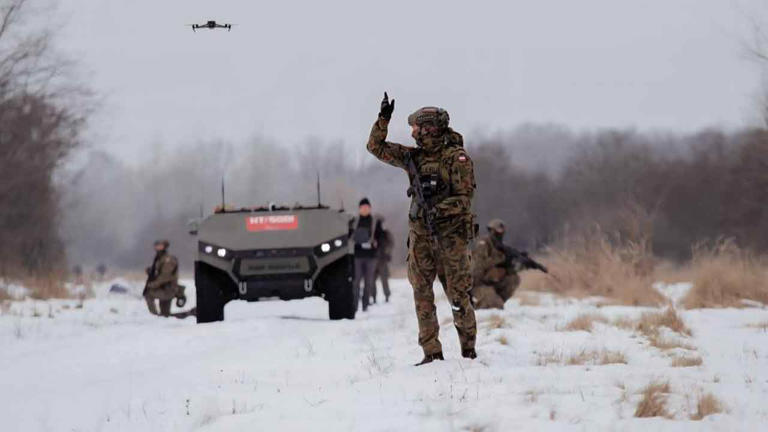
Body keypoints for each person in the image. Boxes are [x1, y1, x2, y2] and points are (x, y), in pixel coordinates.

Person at [366, 92, 478, 365]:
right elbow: (375, 147)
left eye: (416, 126)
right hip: (421, 239)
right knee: (421, 293)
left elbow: (464, 200)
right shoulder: (413, 159)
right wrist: (383, 119)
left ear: (429, 128)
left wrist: (437, 210)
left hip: (451, 239)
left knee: (458, 295)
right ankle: (432, 353)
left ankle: (468, 352)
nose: (413, 132)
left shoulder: (457, 158)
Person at [471, 219, 521, 309]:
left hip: (493, 283)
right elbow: (479, 264)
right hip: (478, 284)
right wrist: (501, 258)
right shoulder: (483, 244)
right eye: (497, 232)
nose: (499, 235)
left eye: (502, 233)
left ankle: (494, 300)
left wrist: (511, 264)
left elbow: (509, 271)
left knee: (514, 279)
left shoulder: (501, 246)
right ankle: (481, 305)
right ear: (491, 231)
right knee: (496, 305)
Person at [350, 198, 383, 312]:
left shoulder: (375, 222)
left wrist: (376, 244)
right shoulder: (354, 222)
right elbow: (349, 236)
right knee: (356, 282)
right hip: (357, 255)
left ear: (370, 208)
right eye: (362, 207)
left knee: (369, 282)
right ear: (359, 209)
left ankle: (365, 305)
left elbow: (381, 237)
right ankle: (354, 305)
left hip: (371, 256)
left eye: (366, 207)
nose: (364, 209)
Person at [144, 239, 179, 317]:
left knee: (148, 294)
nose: (157, 248)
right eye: (156, 246)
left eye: (160, 246)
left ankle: (154, 316)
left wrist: (153, 284)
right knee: (165, 313)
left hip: (168, 288)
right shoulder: (160, 258)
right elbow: (160, 272)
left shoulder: (168, 259)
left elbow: (166, 276)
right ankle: (161, 318)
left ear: (165, 247)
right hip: (163, 287)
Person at [373, 217, 394, 303]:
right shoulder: (373, 234)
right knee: (372, 281)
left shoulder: (385, 233)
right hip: (374, 260)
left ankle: (386, 296)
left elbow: (390, 244)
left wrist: (387, 253)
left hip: (381, 259)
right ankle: (374, 297)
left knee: (383, 280)